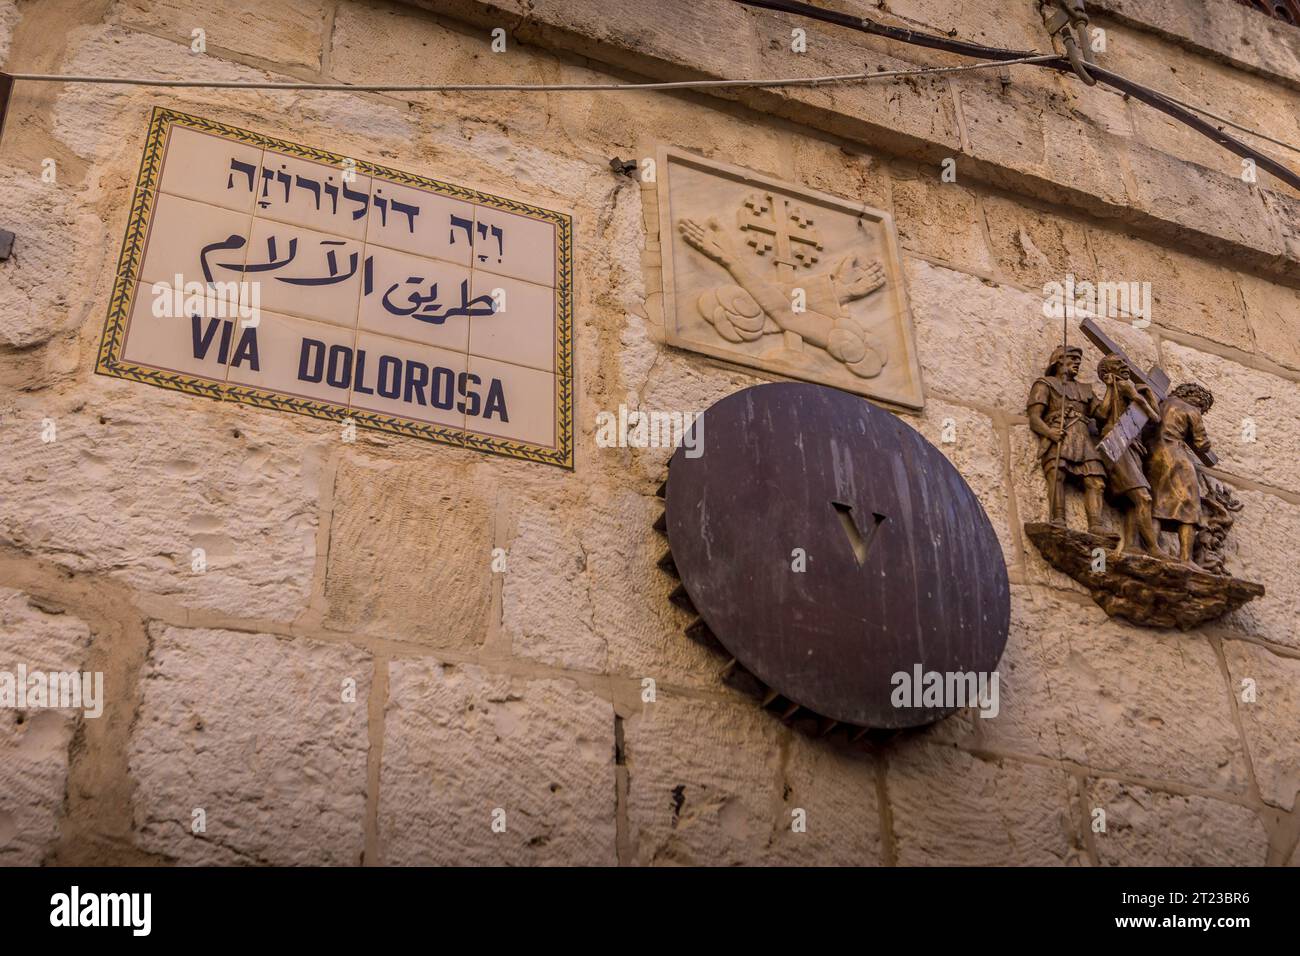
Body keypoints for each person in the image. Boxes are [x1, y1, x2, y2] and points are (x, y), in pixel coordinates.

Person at [1026, 345, 1107, 532]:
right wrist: (1049, 433)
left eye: (1079, 359)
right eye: (1072, 358)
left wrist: (1113, 388)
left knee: (1096, 480)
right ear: (1058, 360)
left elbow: (1102, 413)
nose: (1077, 362)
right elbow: (1034, 418)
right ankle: (1058, 518)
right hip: (1060, 433)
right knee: (1057, 475)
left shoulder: (1085, 390)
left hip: (1084, 438)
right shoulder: (1044, 384)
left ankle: (1096, 524)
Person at [1094, 355, 1165, 557]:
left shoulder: (1125, 387)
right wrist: (1123, 391)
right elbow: (1101, 414)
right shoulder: (1124, 386)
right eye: (1119, 364)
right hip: (1118, 442)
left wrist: (1147, 395)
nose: (1125, 366)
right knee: (1143, 496)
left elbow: (1154, 417)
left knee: (1132, 500)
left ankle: (1132, 545)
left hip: (1131, 445)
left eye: (1125, 363)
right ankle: (1153, 547)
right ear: (1109, 371)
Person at [1147, 382, 1215, 566]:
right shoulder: (1191, 409)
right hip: (1176, 456)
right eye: (1203, 405)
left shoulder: (1162, 403)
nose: (1201, 408)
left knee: (1158, 502)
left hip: (1153, 455)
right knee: (1190, 503)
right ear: (1197, 398)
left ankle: (1151, 547)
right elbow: (1201, 443)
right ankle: (1185, 558)